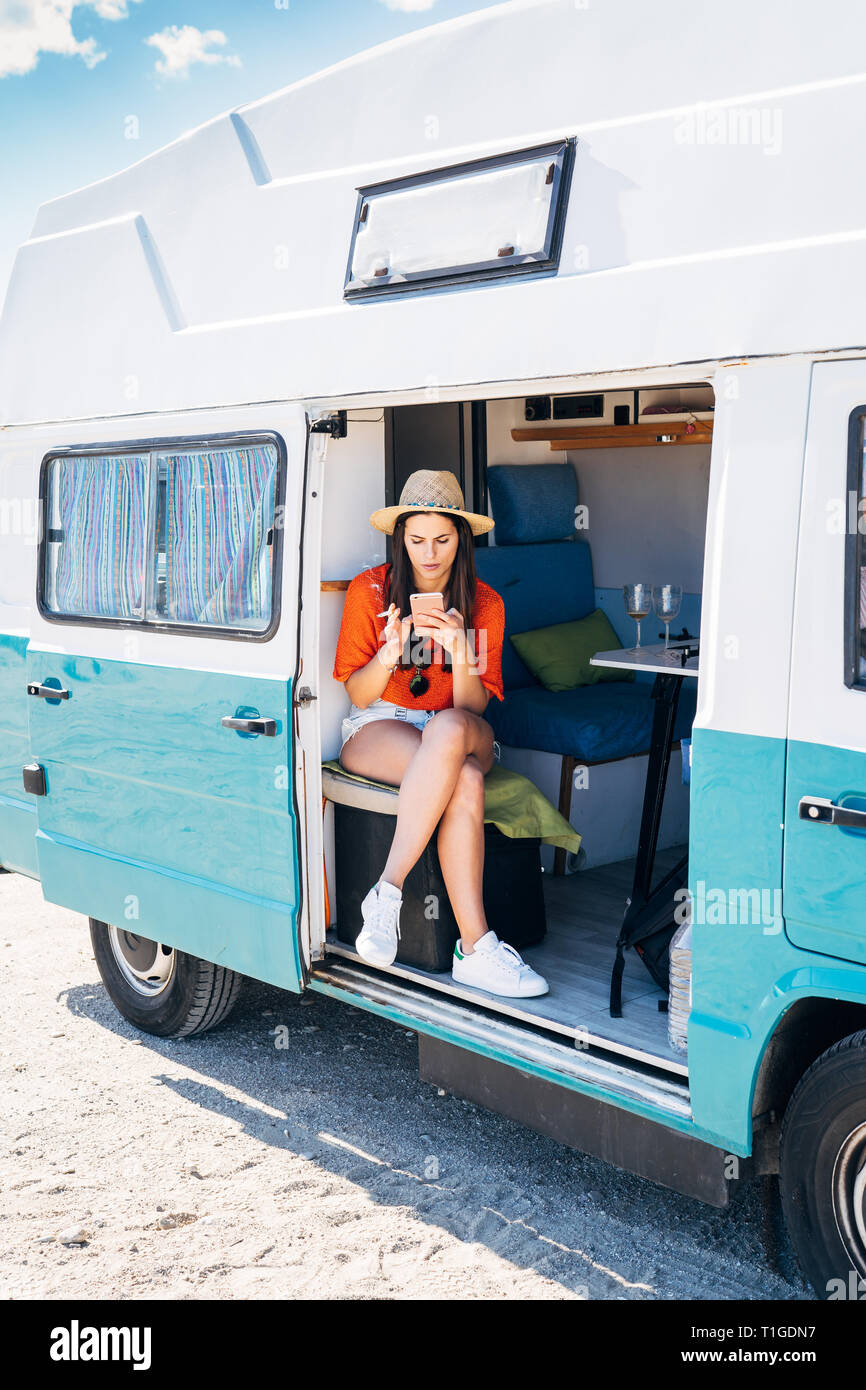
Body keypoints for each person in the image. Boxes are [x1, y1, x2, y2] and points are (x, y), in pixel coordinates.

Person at [332, 468, 548, 999]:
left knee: (450, 729)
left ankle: (386, 893)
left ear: (463, 538)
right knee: (465, 783)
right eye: (416, 539)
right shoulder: (371, 590)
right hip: (383, 724)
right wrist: (389, 650)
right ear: (400, 537)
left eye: (443, 540)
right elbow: (360, 695)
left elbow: (473, 705)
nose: (429, 553)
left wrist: (458, 649)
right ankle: (475, 948)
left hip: (460, 725)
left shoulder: (485, 603)